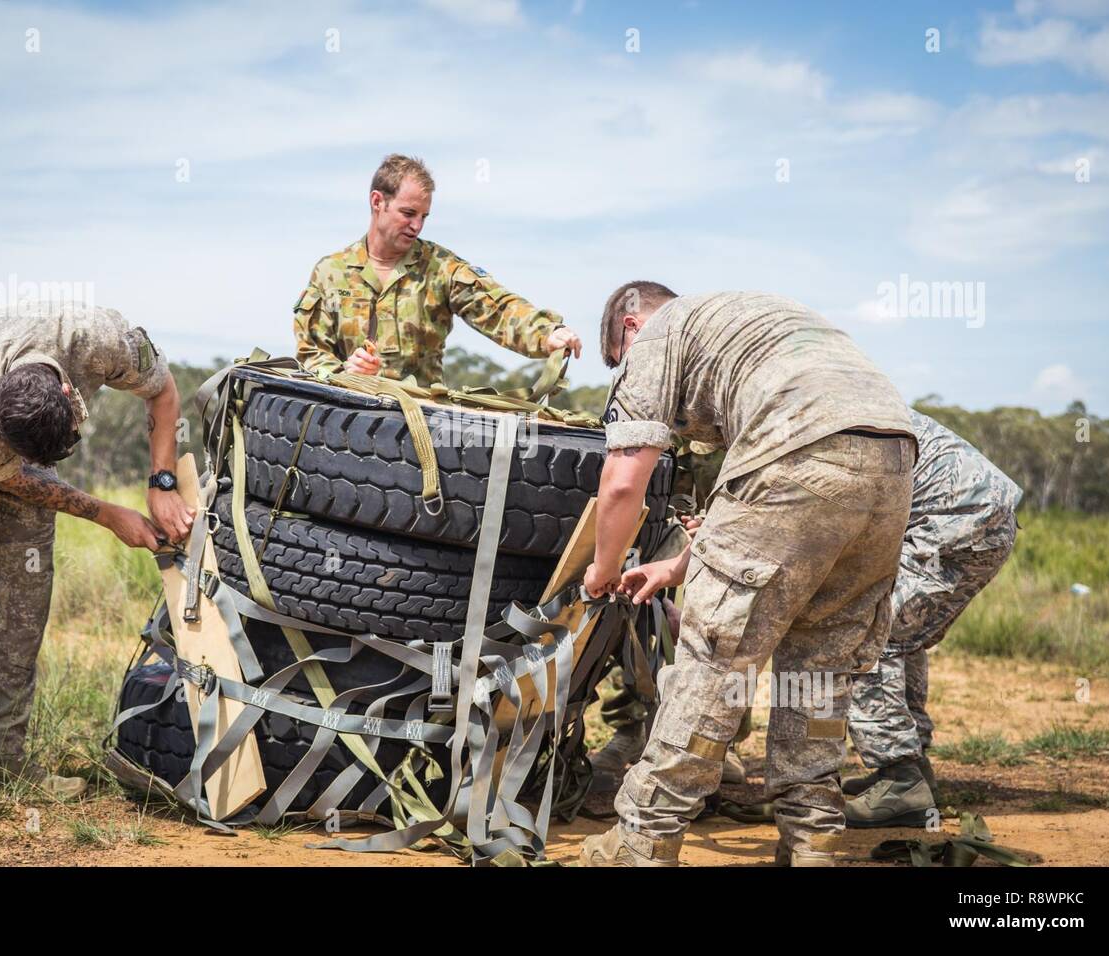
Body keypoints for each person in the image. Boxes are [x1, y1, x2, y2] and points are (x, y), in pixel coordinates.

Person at [579, 283, 915, 867]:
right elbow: (768, 506)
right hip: (892, 456)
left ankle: (641, 842)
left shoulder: (656, 337)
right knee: (820, 669)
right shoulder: (749, 327)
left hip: (802, 446)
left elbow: (624, 480)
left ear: (629, 330)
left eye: (617, 362)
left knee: (715, 659)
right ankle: (813, 845)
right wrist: (683, 563)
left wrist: (601, 569)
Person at [0, 302, 193, 813]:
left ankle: (1, 757)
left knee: (25, 592)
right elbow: (8, 476)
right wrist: (104, 513)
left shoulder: (100, 338)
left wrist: (161, 482)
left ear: (70, 390)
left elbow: (163, 393)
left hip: (14, 434)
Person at [843, 408, 1022, 826]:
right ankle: (912, 768)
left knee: (870, 637)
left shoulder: (817, 420)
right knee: (902, 636)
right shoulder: (855, 400)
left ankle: (901, 780)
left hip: (954, 527)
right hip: (980, 522)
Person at [293, 154, 580, 385]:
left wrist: (545, 333)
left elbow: (497, 309)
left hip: (418, 428)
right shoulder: (331, 272)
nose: (417, 226)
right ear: (378, 201)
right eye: (408, 213)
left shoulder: (440, 267)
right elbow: (311, 353)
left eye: (423, 216)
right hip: (342, 424)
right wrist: (344, 374)